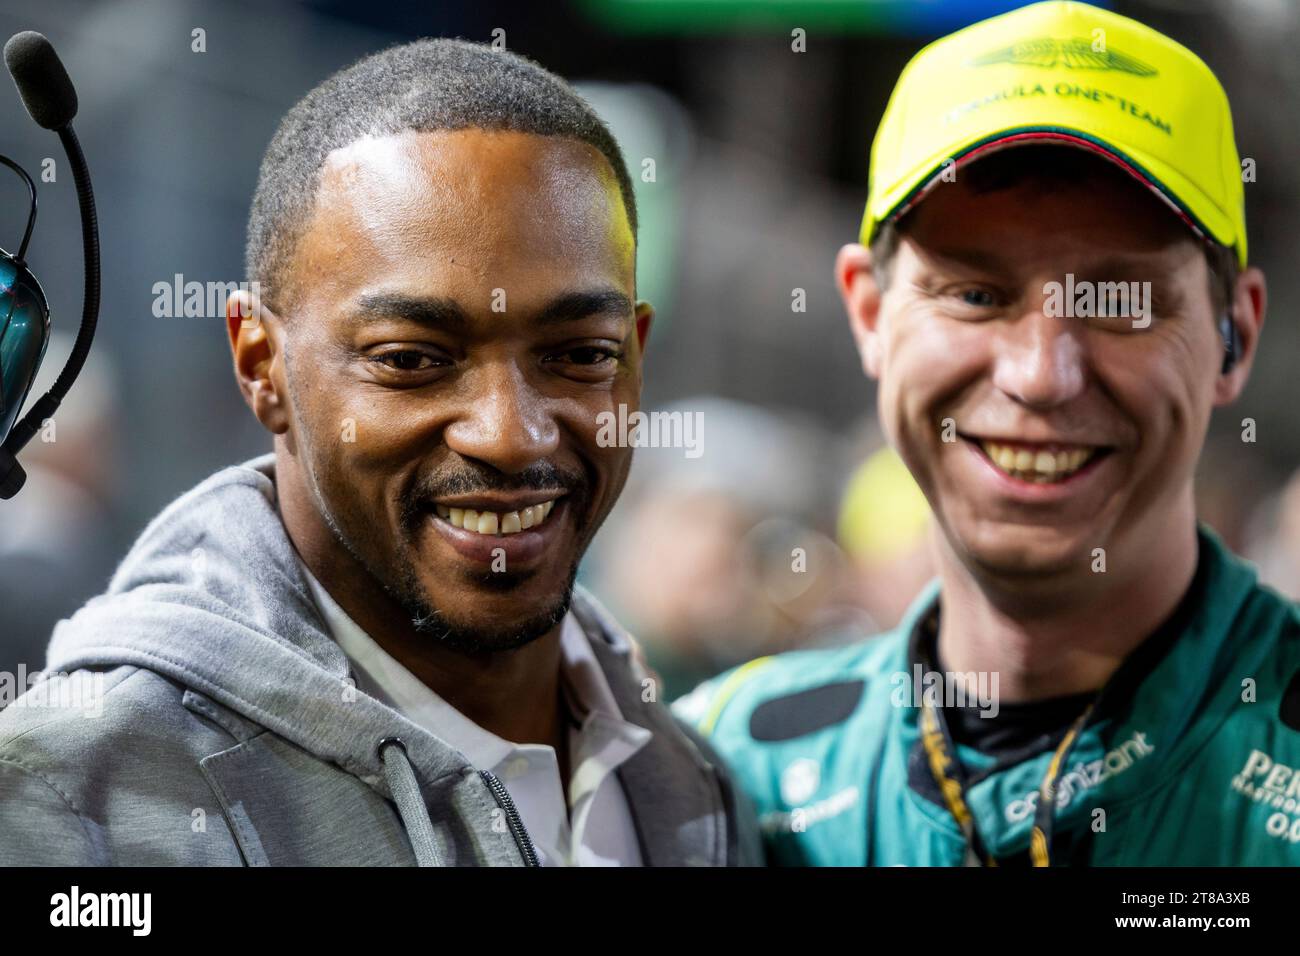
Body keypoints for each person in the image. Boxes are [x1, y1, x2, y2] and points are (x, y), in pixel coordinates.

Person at [0, 38, 758, 867]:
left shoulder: (700, 786)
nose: (511, 434)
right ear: (262, 366)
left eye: (580, 354)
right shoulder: (73, 801)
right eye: (411, 359)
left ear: (636, 355)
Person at [675, 0, 1300, 865]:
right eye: (975, 294)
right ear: (868, 314)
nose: (1041, 373)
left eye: (1119, 302)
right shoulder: (720, 776)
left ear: (1236, 335)